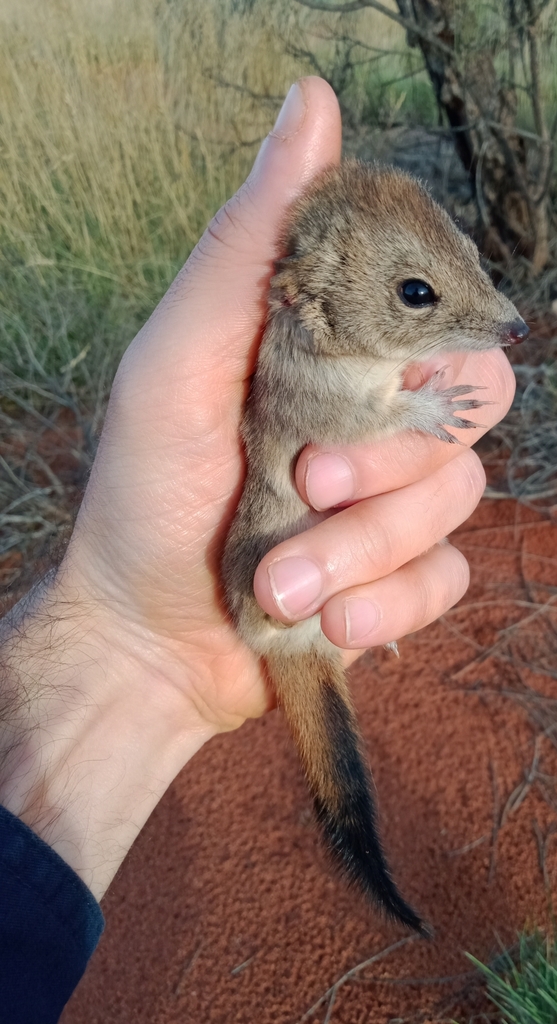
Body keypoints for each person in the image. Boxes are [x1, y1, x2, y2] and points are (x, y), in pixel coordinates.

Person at [0, 78, 515, 1022]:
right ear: (319, 288)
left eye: (467, 270)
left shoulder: (335, 317)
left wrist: (124, 644)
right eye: (417, 296)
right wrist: (410, 409)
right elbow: (335, 414)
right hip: (260, 583)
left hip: (272, 583)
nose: (501, 318)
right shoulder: (300, 344)